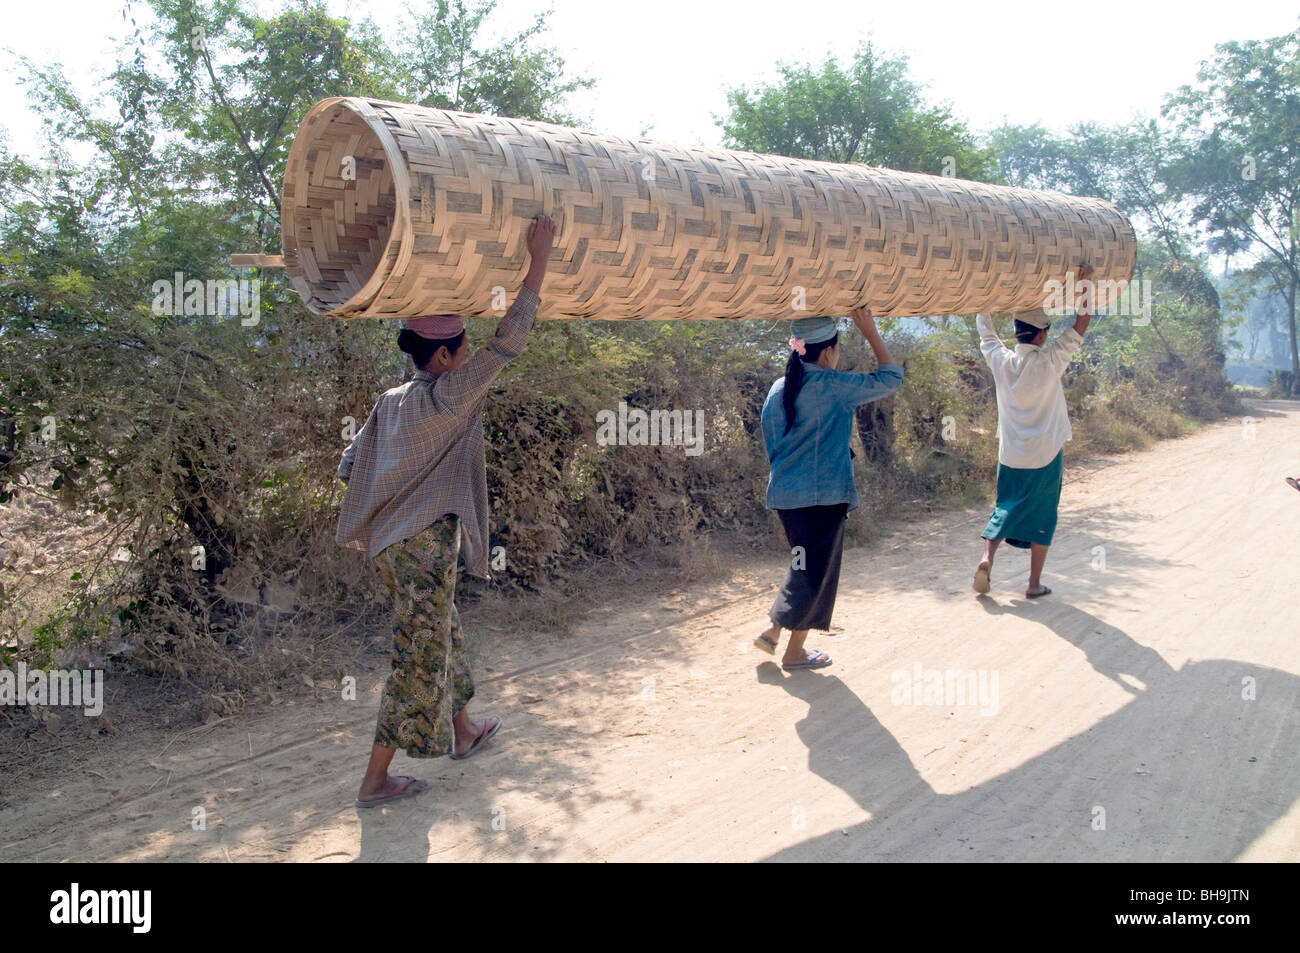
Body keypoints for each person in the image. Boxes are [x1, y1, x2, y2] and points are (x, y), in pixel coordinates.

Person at [336, 213, 556, 808]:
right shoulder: (453, 395)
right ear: (442, 357)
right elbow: (509, 342)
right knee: (419, 654)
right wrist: (538, 261)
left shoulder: (393, 400)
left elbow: (349, 464)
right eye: (462, 350)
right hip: (423, 546)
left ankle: (463, 730)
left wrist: (394, 487)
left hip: (389, 546)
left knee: (442, 631)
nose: (468, 358)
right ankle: (375, 780)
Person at [754, 308, 904, 670]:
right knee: (817, 573)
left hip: (787, 498)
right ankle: (794, 652)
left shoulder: (778, 389)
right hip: (822, 498)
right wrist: (870, 332)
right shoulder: (831, 386)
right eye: (836, 349)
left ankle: (773, 631)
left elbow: (772, 442)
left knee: (802, 563)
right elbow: (891, 377)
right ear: (827, 352)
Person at [973, 264, 1094, 599]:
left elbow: (985, 332)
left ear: (1016, 334)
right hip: (1046, 454)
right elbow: (1080, 324)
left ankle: (986, 557)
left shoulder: (1002, 361)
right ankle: (1032, 584)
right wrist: (1084, 284)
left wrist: (985, 294)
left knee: (1004, 506)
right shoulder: (1051, 360)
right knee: (1043, 514)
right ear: (1041, 335)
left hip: (1010, 453)